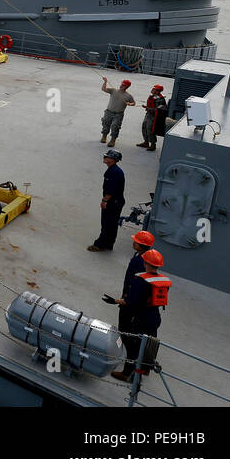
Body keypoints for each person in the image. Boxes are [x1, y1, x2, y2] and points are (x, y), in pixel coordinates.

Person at [110, 248, 170, 382]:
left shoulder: (140, 280)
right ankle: (145, 369)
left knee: (134, 346)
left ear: (146, 263)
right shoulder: (163, 281)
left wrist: (115, 301)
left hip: (141, 318)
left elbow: (131, 302)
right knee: (150, 343)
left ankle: (127, 374)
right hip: (155, 317)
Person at [87, 149, 125, 252]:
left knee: (107, 224)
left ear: (112, 160)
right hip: (117, 201)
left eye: (106, 157)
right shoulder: (114, 170)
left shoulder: (113, 172)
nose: (104, 158)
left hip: (113, 202)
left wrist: (104, 201)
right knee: (112, 224)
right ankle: (108, 244)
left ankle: (100, 245)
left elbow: (111, 190)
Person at [99, 77, 136, 147]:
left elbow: (134, 103)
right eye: (122, 84)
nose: (122, 86)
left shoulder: (128, 96)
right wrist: (105, 82)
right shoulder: (113, 90)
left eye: (124, 85)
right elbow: (103, 89)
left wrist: (130, 104)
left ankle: (113, 140)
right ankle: (104, 136)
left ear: (127, 87)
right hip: (109, 111)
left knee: (115, 126)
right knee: (105, 123)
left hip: (118, 114)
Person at [137, 84, 167, 151]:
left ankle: (153, 144)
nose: (152, 90)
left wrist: (147, 108)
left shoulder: (160, 100)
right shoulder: (152, 96)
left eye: (154, 89)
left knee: (150, 129)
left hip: (154, 116)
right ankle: (146, 142)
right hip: (148, 114)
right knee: (144, 127)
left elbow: (158, 109)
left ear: (157, 91)